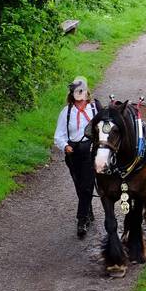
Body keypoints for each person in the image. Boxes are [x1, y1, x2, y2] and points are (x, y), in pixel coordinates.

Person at [54, 76, 99, 237]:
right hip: (73, 154)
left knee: (87, 185)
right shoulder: (66, 113)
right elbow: (58, 135)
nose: (79, 96)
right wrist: (65, 146)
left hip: (91, 152)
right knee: (80, 186)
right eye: (76, 92)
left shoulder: (95, 109)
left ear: (87, 93)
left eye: (82, 92)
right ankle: (88, 210)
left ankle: (82, 220)